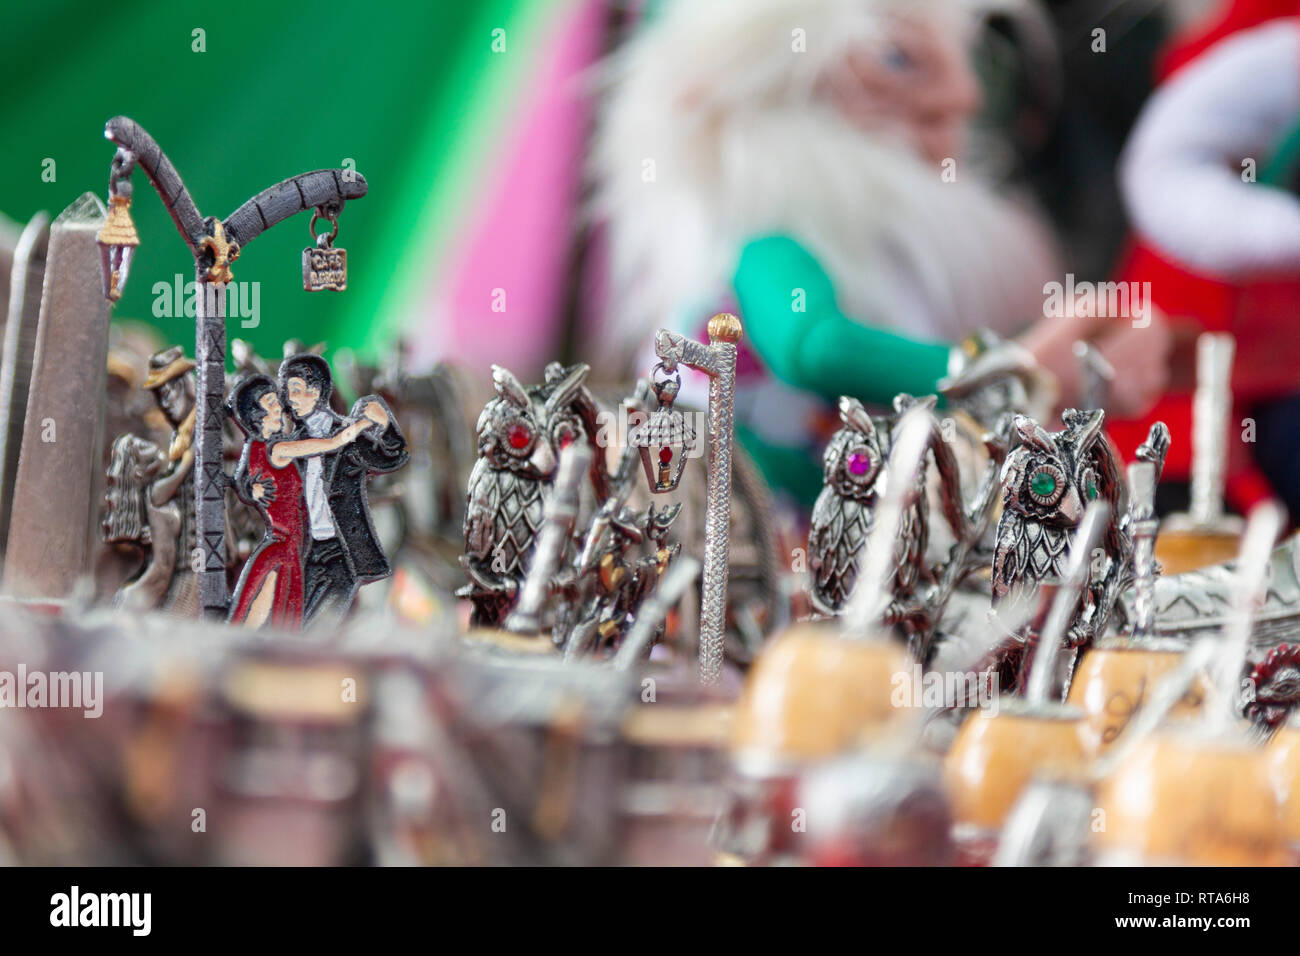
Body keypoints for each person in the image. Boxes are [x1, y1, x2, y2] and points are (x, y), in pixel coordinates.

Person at [591, 0, 1169, 506]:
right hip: (736, 540)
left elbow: (921, 365)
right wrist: (1010, 374)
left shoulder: (895, 259)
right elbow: (815, 347)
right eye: (897, 59)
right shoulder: (768, 238)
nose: (962, 96)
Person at [227, 374, 380, 629]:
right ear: (258, 414)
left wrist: (248, 487)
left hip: (289, 545)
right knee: (263, 617)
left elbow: (242, 479)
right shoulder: (277, 450)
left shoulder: (254, 449)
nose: (280, 407)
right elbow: (332, 442)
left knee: (264, 613)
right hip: (284, 547)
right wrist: (364, 422)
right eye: (272, 403)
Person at [277, 354, 409, 623]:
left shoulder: (349, 435)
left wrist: (385, 423)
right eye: (288, 392)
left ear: (315, 392)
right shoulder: (294, 442)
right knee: (298, 622)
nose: (290, 400)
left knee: (322, 624)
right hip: (310, 551)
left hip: (343, 551)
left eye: (296, 391)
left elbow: (393, 456)